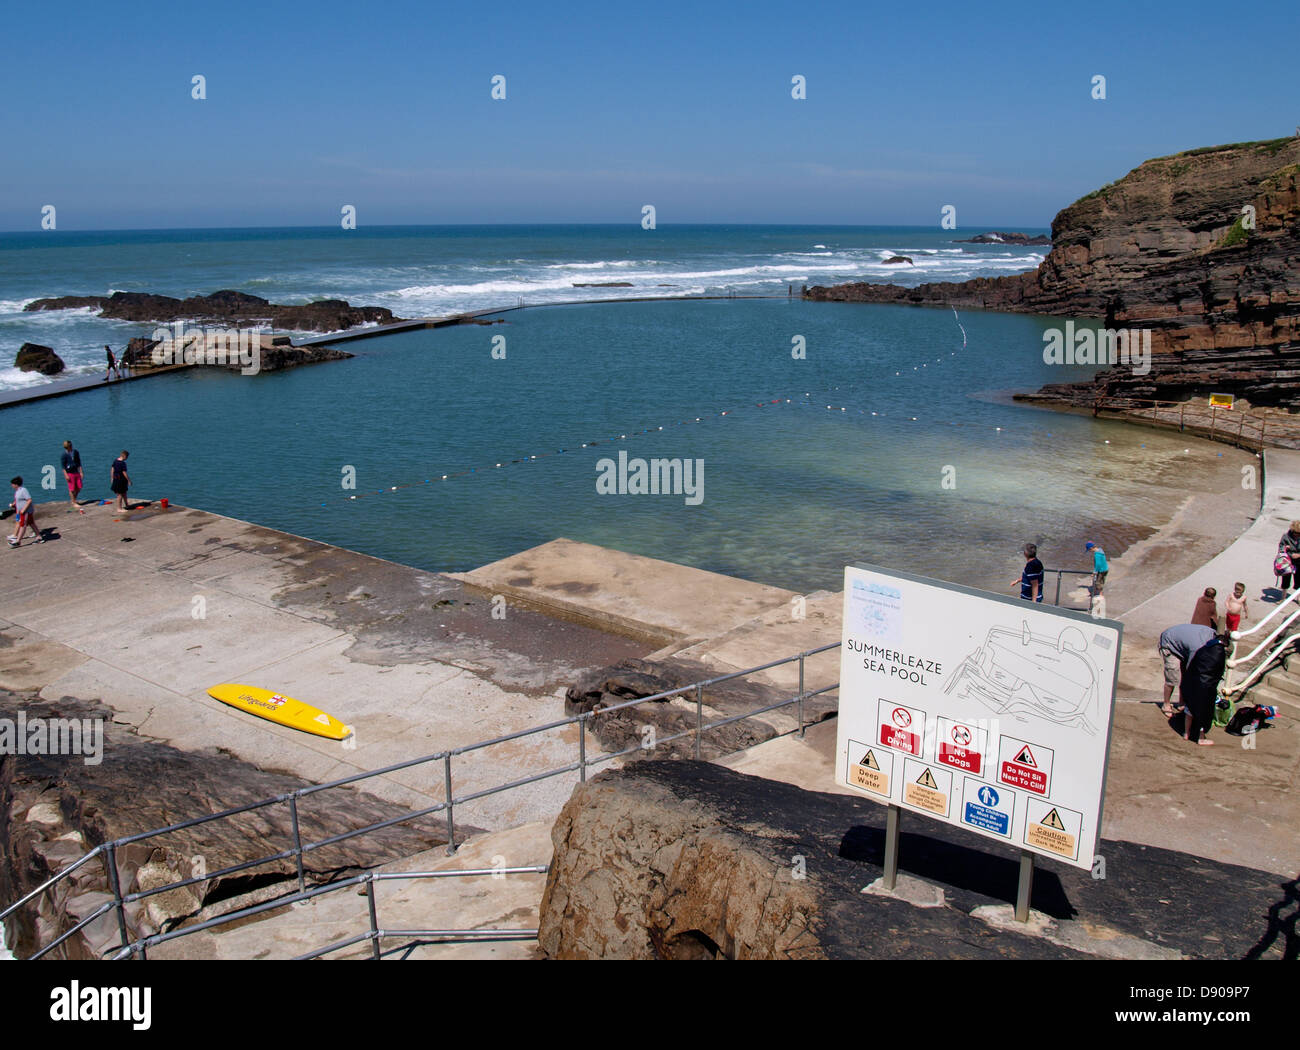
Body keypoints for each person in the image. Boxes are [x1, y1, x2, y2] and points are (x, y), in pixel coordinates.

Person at [1157, 622, 1217, 718]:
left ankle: (1182, 702)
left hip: (1183, 644)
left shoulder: (1213, 633)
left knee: (1184, 677)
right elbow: (1192, 669)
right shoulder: (1198, 646)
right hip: (1169, 643)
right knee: (1172, 678)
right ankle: (1166, 704)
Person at [1179, 632, 1226, 746]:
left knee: (1189, 710)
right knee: (1204, 714)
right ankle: (1201, 738)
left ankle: (1186, 733)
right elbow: (1218, 671)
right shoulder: (1219, 653)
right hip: (1206, 688)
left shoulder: (1203, 649)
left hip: (1193, 684)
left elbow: (1193, 666)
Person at [7, 476, 42, 547]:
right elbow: (18, 500)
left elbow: (29, 500)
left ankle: (18, 541)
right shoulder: (17, 491)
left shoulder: (23, 490)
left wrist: (23, 510)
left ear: (16, 484)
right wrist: (13, 505)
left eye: (12, 484)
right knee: (32, 524)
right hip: (22, 512)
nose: (12, 485)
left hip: (25, 512)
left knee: (23, 525)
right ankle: (39, 537)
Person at [1278, 521, 1300, 590]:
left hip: (1299, 561)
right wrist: (1288, 552)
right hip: (1287, 561)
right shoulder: (1286, 536)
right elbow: (1281, 548)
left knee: (1299, 580)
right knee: (1285, 579)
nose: (1297, 535)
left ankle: (1298, 597)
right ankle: (1283, 597)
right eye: (1295, 533)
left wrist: (1299, 555)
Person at [61, 440, 83, 506]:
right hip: (69, 473)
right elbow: (63, 467)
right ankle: (73, 502)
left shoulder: (76, 452)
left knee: (79, 487)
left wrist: (81, 472)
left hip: (76, 471)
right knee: (72, 488)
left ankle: (74, 500)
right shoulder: (64, 455)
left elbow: (79, 463)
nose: (71, 447)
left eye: (71, 445)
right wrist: (66, 475)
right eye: (69, 446)